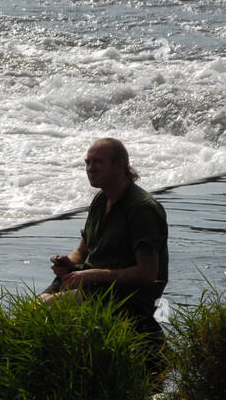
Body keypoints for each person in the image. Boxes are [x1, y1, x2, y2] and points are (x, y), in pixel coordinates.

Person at [42, 137, 169, 350]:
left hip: (126, 295)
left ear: (119, 165)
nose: (90, 168)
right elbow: (83, 251)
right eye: (87, 163)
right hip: (93, 283)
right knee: (36, 305)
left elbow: (147, 274)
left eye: (97, 162)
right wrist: (67, 262)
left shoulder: (141, 209)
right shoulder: (101, 200)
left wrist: (92, 274)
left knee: (46, 308)